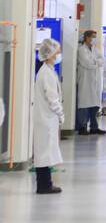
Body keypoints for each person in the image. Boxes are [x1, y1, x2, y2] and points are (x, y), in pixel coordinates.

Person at [33, 38, 64, 194]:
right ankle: (44, 186)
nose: (59, 54)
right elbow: (52, 99)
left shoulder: (48, 71)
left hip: (46, 118)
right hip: (46, 118)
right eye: (57, 51)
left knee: (45, 152)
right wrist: (60, 114)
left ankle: (45, 183)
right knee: (44, 152)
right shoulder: (46, 74)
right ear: (50, 54)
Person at [76, 29, 106, 134]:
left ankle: (94, 127)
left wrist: (96, 62)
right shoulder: (81, 50)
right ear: (87, 37)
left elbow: (103, 60)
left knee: (95, 105)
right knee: (84, 105)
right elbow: (87, 64)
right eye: (93, 37)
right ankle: (82, 127)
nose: (94, 39)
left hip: (95, 81)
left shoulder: (95, 50)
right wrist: (97, 62)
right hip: (85, 81)